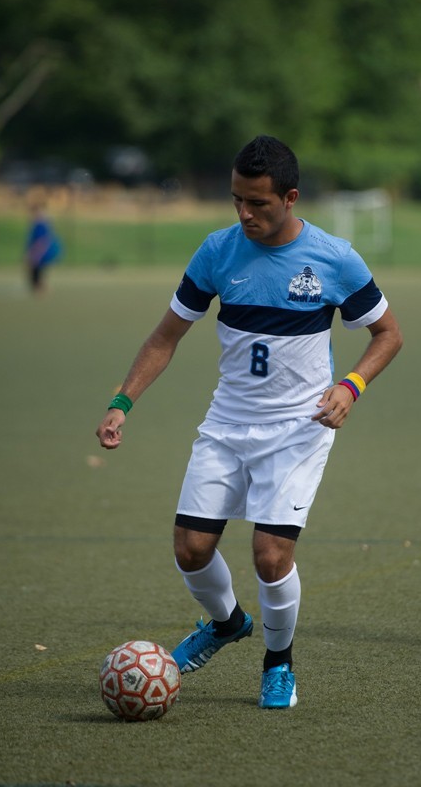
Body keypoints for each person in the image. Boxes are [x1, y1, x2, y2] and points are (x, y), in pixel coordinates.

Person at [96, 135, 403, 709]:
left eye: (257, 203)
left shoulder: (334, 257)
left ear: (289, 198)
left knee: (270, 556)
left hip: (299, 429)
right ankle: (227, 623)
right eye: (237, 200)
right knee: (190, 548)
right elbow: (166, 337)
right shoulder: (217, 252)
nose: (244, 213)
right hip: (228, 423)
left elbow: (389, 335)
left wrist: (351, 386)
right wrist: (123, 401)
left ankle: (278, 660)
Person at [24, 202, 62, 293]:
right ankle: (38, 286)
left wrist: (36, 252)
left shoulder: (41, 223)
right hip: (39, 248)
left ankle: (39, 287)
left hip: (41, 249)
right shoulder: (39, 222)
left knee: (36, 268)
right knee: (36, 268)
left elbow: (43, 239)